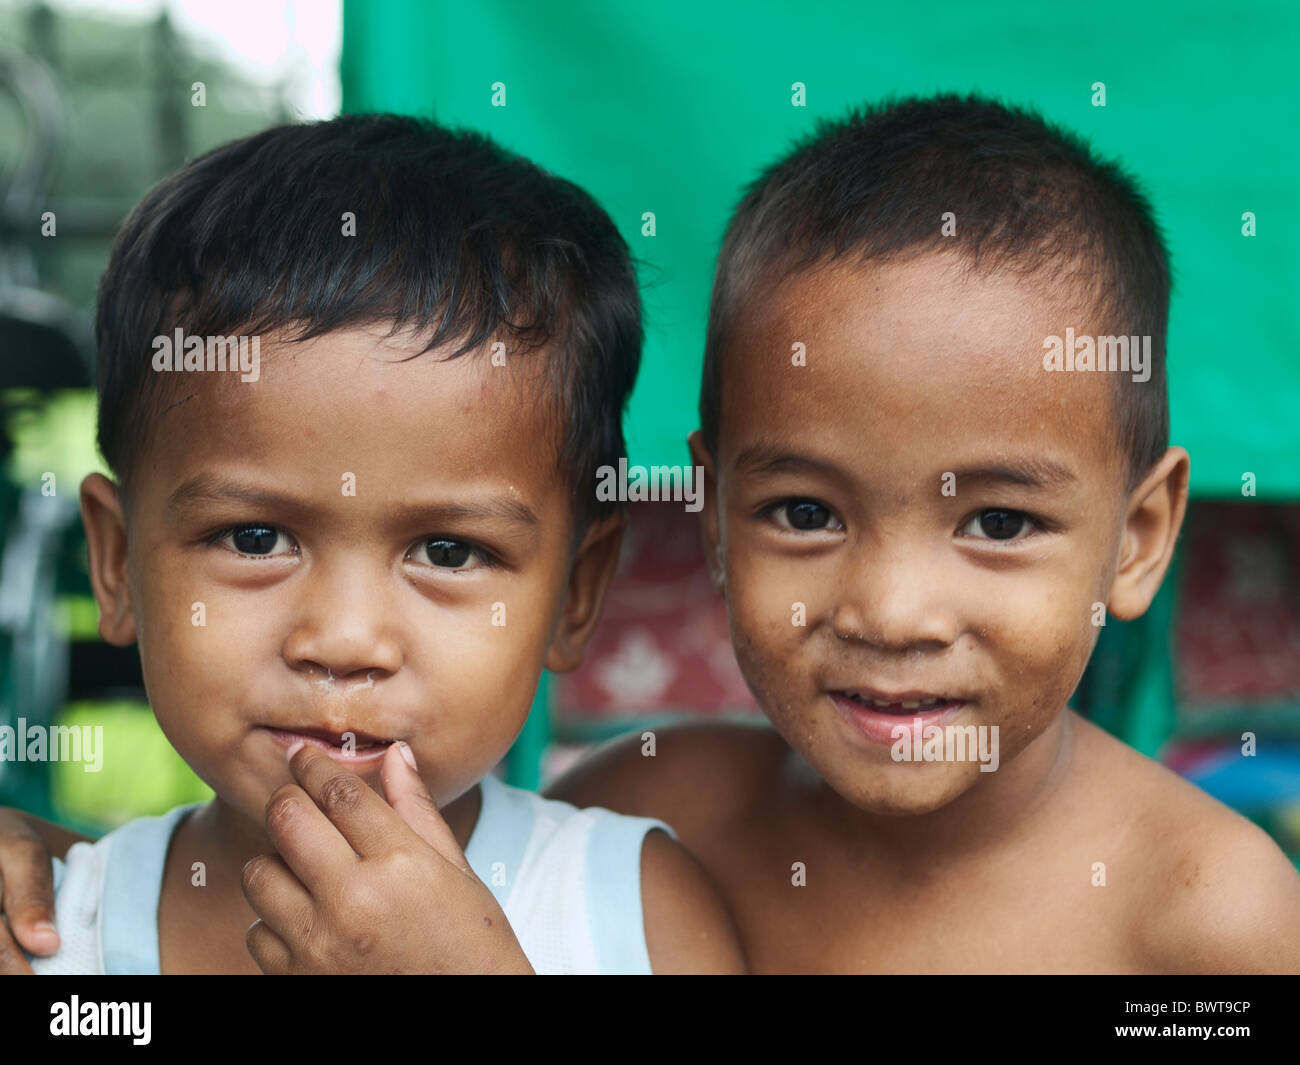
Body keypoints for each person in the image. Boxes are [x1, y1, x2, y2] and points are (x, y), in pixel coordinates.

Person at [548, 94, 1300, 972]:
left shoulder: (1204, 919)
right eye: (806, 512)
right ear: (714, 517)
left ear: (1137, 537)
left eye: (999, 522)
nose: (894, 614)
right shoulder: (637, 826)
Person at [0, 113, 742, 974]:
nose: (345, 641)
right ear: (117, 563)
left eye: (449, 552)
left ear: (575, 592)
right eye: (255, 536)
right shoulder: (49, 933)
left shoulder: (630, 909)